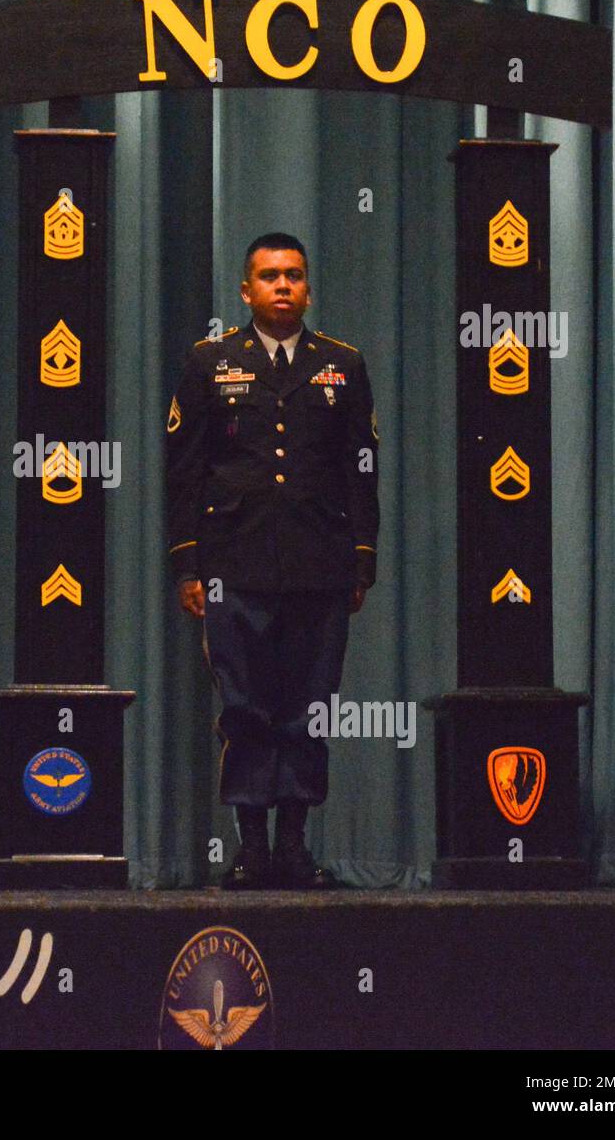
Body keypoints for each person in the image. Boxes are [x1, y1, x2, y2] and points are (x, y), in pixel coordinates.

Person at [165, 233, 379, 890]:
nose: (282, 286)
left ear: (309, 288)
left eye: (293, 276)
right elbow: (186, 470)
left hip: (319, 567)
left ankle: (294, 846)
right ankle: (251, 848)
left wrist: (361, 559)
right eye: (268, 276)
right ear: (245, 290)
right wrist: (188, 564)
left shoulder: (342, 365)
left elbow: (360, 469)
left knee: (309, 706)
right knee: (247, 707)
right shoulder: (211, 362)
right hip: (235, 565)